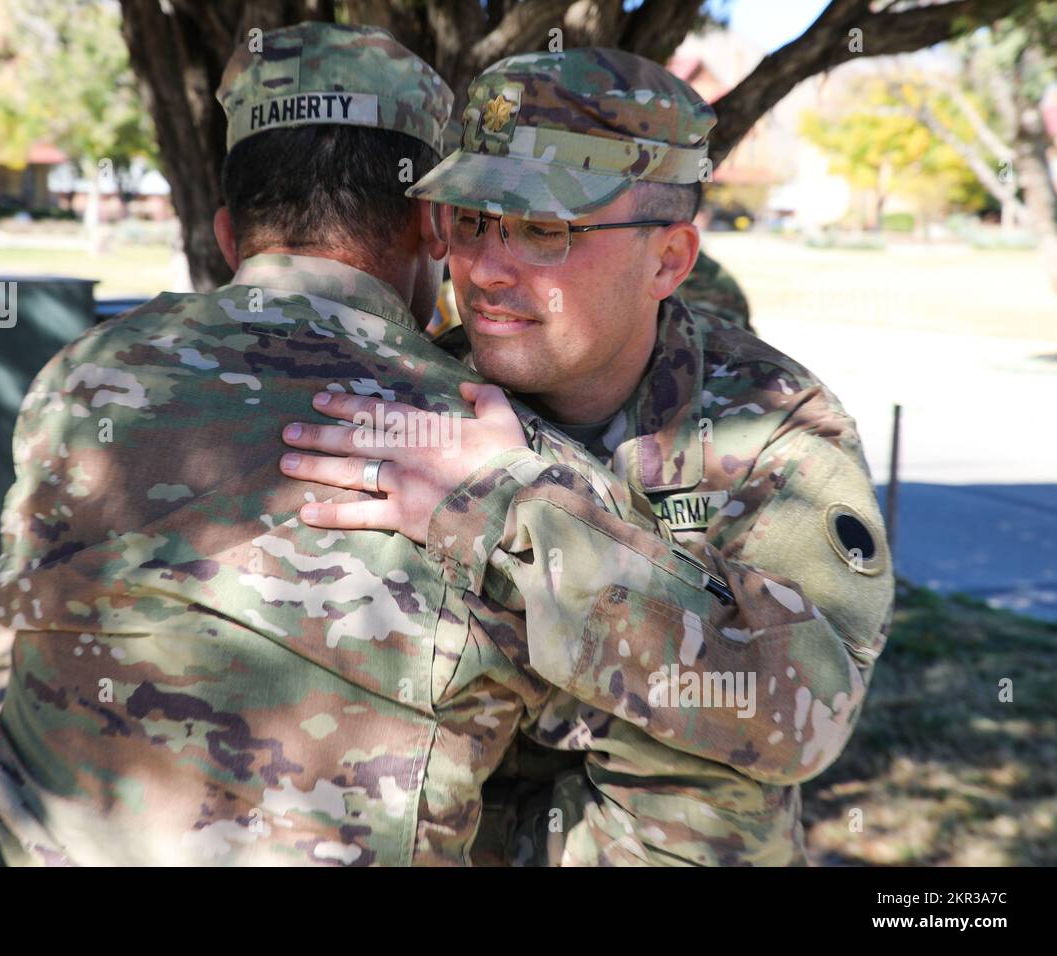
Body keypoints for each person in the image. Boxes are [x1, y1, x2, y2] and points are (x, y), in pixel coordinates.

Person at [0, 23, 657, 867]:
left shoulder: (72, 385)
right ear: (432, 227)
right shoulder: (492, 460)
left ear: (224, 233)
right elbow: (674, 732)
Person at [279, 48, 895, 865]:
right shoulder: (408, 400)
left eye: (545, 231)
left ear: (669, 260)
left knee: (727, 805)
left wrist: (514, 510)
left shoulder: (768, 429)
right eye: (468, 223)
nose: (487, 271)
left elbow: (801, 712)